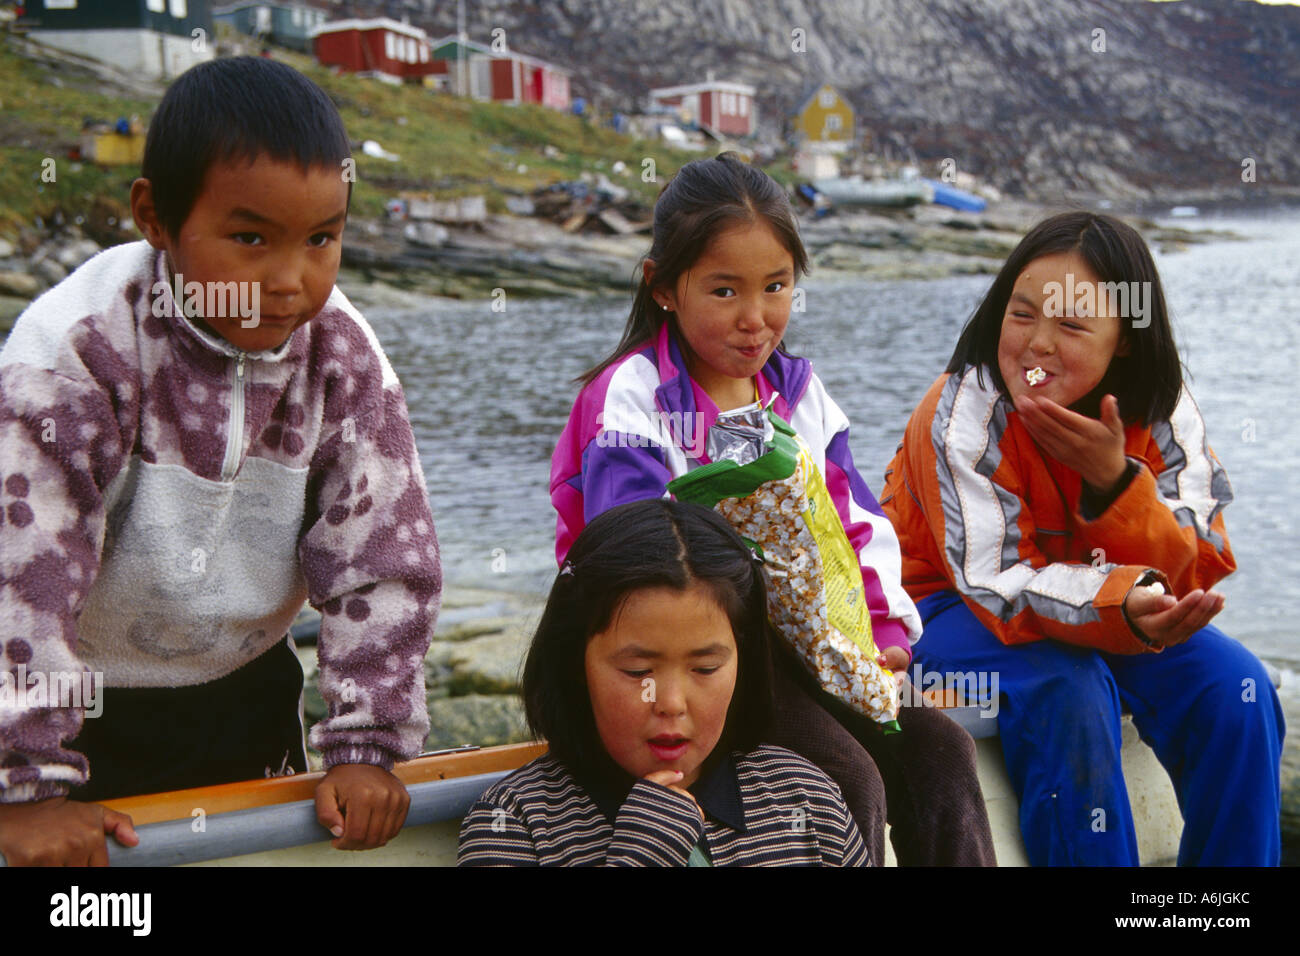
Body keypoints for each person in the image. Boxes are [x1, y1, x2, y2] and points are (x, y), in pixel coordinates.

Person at [0, 58, 440, 865]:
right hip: (84, 710)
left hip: (247, 692)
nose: (289, 280)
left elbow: (381, 557)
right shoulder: (76, 352)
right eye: (249, 239)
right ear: (155, 216)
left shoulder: (343, 359)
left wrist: (368, 744)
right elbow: (19, 574)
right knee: (97, 913)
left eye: (321, 239)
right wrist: (23, 788)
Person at [549, 152, 994, 866]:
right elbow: (628, 554)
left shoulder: (797, 395)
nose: (756, 320)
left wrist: (879, 628)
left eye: (776, 287)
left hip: (805, 646)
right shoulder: (631, 399)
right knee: (844, 776)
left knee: (940, 747)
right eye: (724, 291)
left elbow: (855, 521)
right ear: (663, 286)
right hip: (691, 658)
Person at [880, 211, 1285, 866]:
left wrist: (1117, 486)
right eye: (1021, 314)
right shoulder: (959, 412)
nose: (1037, 343)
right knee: (1066, 686)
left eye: (1070, 325)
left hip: (1102, 614)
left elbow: (1202, 550)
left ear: (1125, 338)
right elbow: (999, 584)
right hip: (943, 620)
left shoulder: (1160, 407)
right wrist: (1122, 603)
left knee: (1236, 689)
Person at [458, 499, 869, 866]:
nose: (670, 703)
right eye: (638, 671)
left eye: (705, 668)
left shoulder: (805, 798)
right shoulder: (514, 824)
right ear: (574, 664)